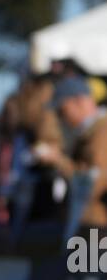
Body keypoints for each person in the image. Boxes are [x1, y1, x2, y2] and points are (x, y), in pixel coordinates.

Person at [37, 75, 107, 226]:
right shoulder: (91, 132)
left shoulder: (102, 132)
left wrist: (58, 161)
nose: (61, 117)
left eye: (62, 110)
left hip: (97, 225)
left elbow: (93, 184)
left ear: (80, 101)